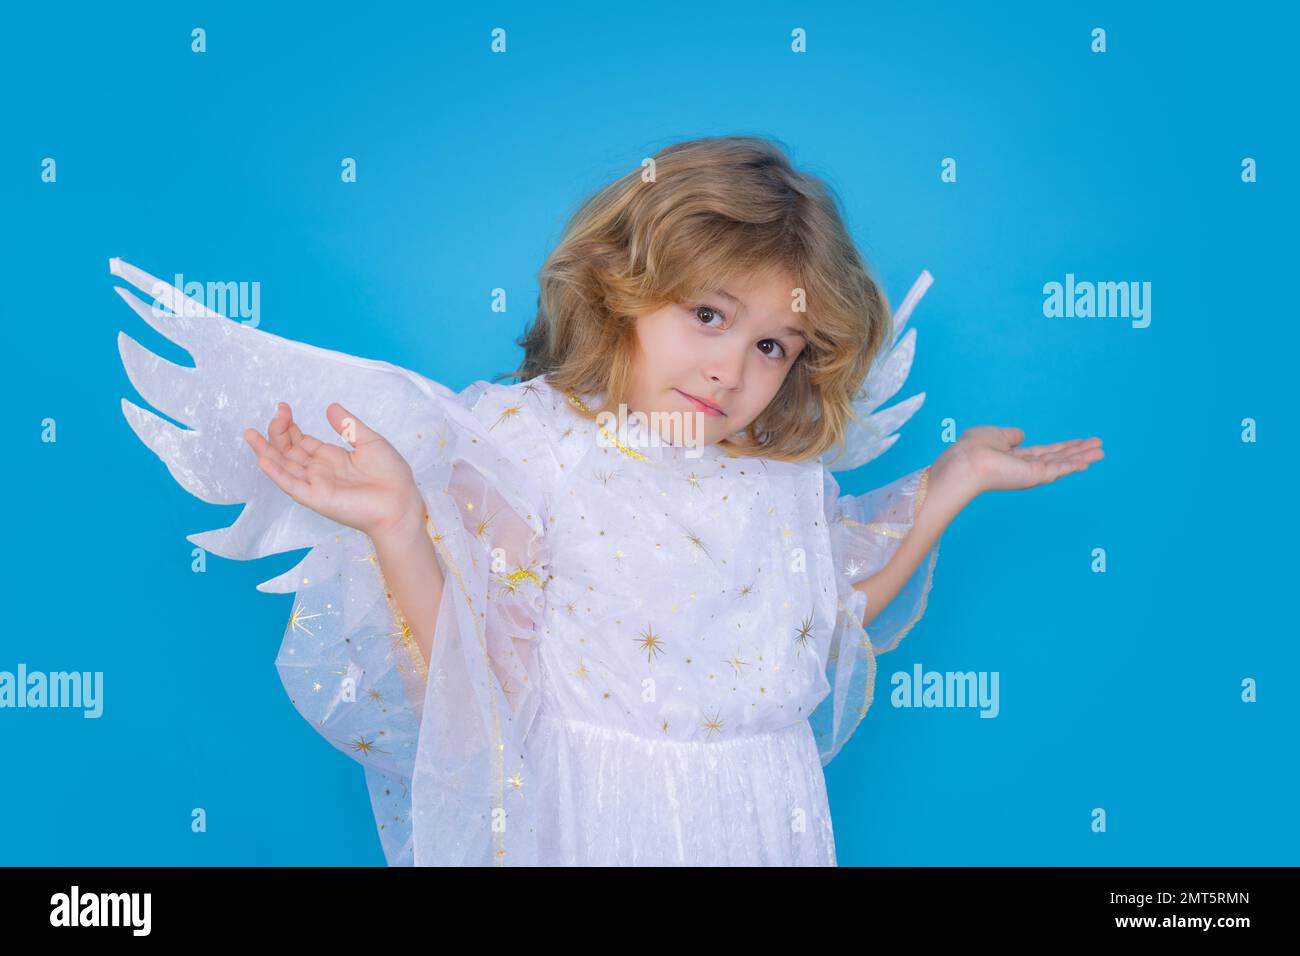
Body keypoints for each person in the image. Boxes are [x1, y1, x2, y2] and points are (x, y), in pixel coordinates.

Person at [111, 135, 1103, 866]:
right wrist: (398, 524)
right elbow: (474, 682)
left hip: (761, 815)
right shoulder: (530, 444)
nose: (729, 367)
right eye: (707, 315)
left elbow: (828, 616)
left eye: (771, 344)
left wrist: (948, 483)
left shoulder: (779, 479)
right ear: (620, 288)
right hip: (596, 817)